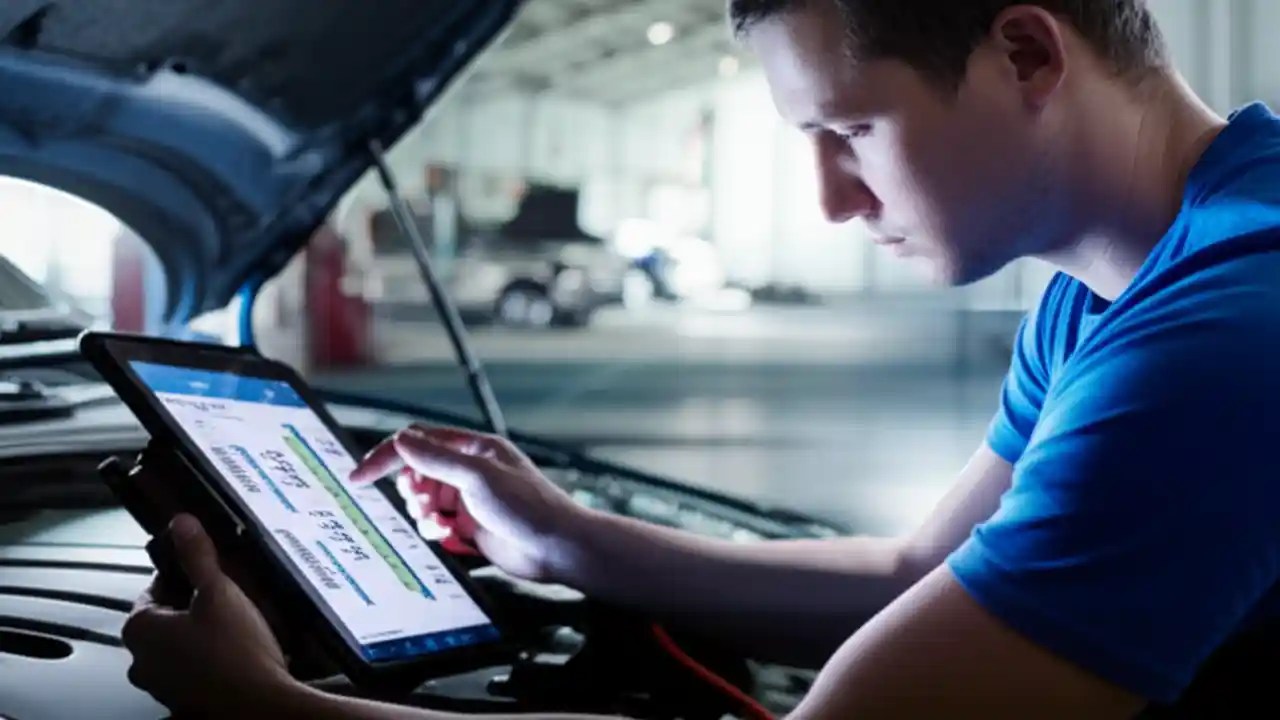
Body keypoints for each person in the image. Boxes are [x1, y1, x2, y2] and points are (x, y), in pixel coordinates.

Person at [121, 0, 1280, 717]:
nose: (830, 201)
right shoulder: (1108, 287)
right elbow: (919, 573)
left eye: (848, 130)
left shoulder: (1221, 341)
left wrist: (266, 706)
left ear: (1024, 53)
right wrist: (569, 541)